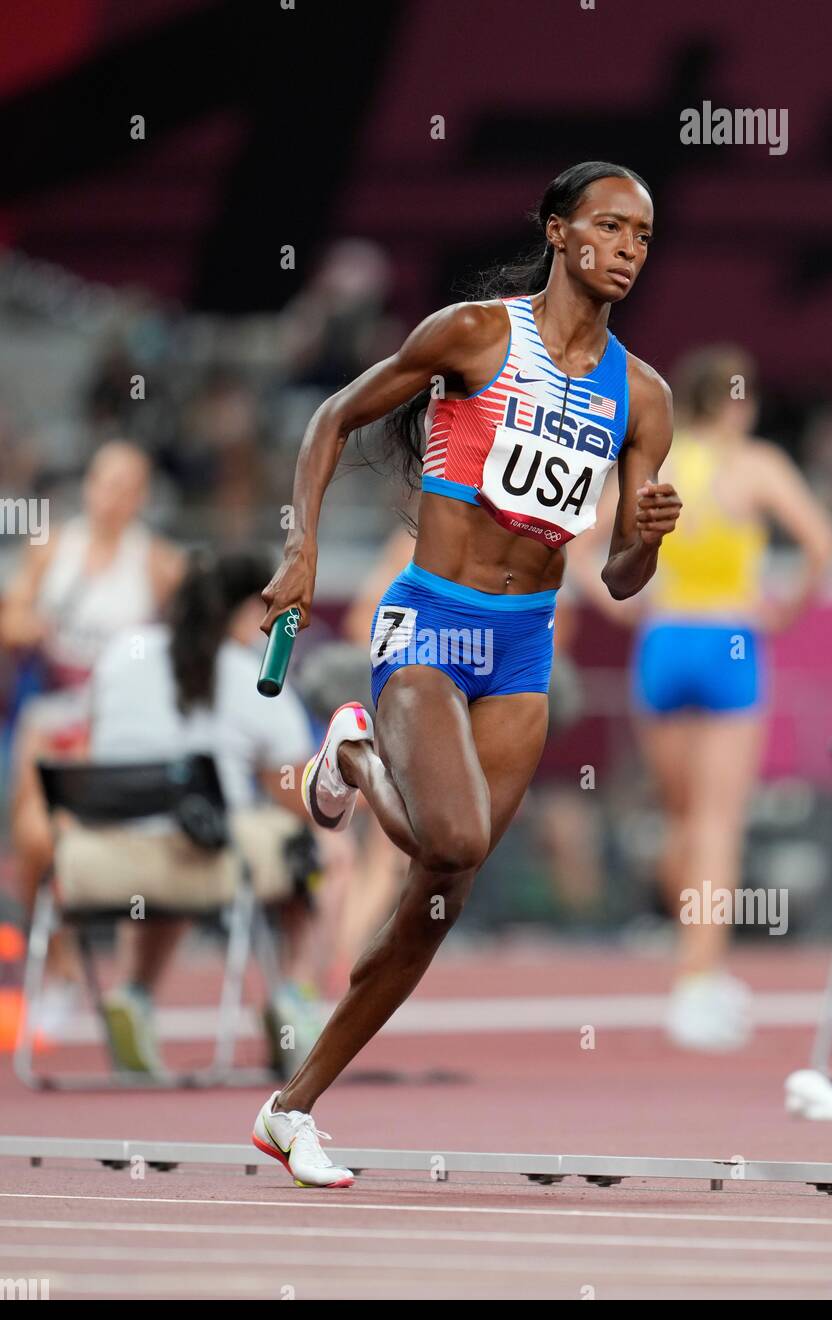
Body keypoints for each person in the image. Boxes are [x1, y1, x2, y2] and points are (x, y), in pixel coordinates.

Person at [252, 160, 682, 1187]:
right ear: (557, 229)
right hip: (431, 622)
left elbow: (619, 577)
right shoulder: (475, 335)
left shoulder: (644, 397)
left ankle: (290, 1107)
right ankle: (354, 749)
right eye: (611, 227)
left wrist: (648, 539)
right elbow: (331, 420)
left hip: (525, 641)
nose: (627, 248)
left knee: (438, 897)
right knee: (453, 831)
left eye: (643, 237)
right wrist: (302, 549)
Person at [567, 345, 832, 1050]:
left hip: (661, 641)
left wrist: (614, 602)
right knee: (718, 822)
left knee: (680, 817)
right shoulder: (755, 467)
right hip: (729, 642)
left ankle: (695, 965)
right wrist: (780, 609)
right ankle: (696, 979)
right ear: (737, 404)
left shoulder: (653, 465)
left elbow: (577, 542)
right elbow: (820, 545)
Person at [88, 547, 323, 1075]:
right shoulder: (255, 678)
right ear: (247, 613)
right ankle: (296, 997)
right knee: (320, 848)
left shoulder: (121, 651)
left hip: (99, 856)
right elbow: (302, 799)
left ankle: (134, 994)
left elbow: (92, 741)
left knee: (172, 841)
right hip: (200, 860)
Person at [1, 440, 184, 1031]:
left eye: (125, 486)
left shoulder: (156, 562)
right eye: (103, 483)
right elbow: (10, 619)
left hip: (117, 725)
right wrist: (35, 625)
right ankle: (57, 968)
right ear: (89, 486)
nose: (111, 497)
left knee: (124, 846)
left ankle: (133, 987)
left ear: (140, 496)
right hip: (54, 715)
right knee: (32, 841)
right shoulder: (51, 548)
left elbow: (192, 643)